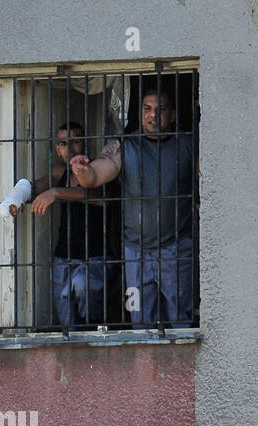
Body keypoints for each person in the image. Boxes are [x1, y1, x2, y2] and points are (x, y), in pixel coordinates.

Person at [68, 85, 195, 329]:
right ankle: (149, 368)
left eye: (161, 109)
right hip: (136, 251)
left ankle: (181, 369)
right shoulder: (125, 146)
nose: (153, 115)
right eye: (147, 109)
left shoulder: (187, 144)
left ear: (173, 115)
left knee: (182, 322)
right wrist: (82, 170)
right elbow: (96, 175)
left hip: (177, 249)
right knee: (141, 324)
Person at [9, 122, 111, 328]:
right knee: (67, 322)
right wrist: (17, 199)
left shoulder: (98, 170)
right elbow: (36, 187)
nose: (70, 148)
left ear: (85, 144)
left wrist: (55, 193)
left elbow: (91, 193)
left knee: (87, 303)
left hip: (95, 256)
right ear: (58, 148)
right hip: (64, 257)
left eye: (75, 142)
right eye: (64, 143)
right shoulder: (59, 172)